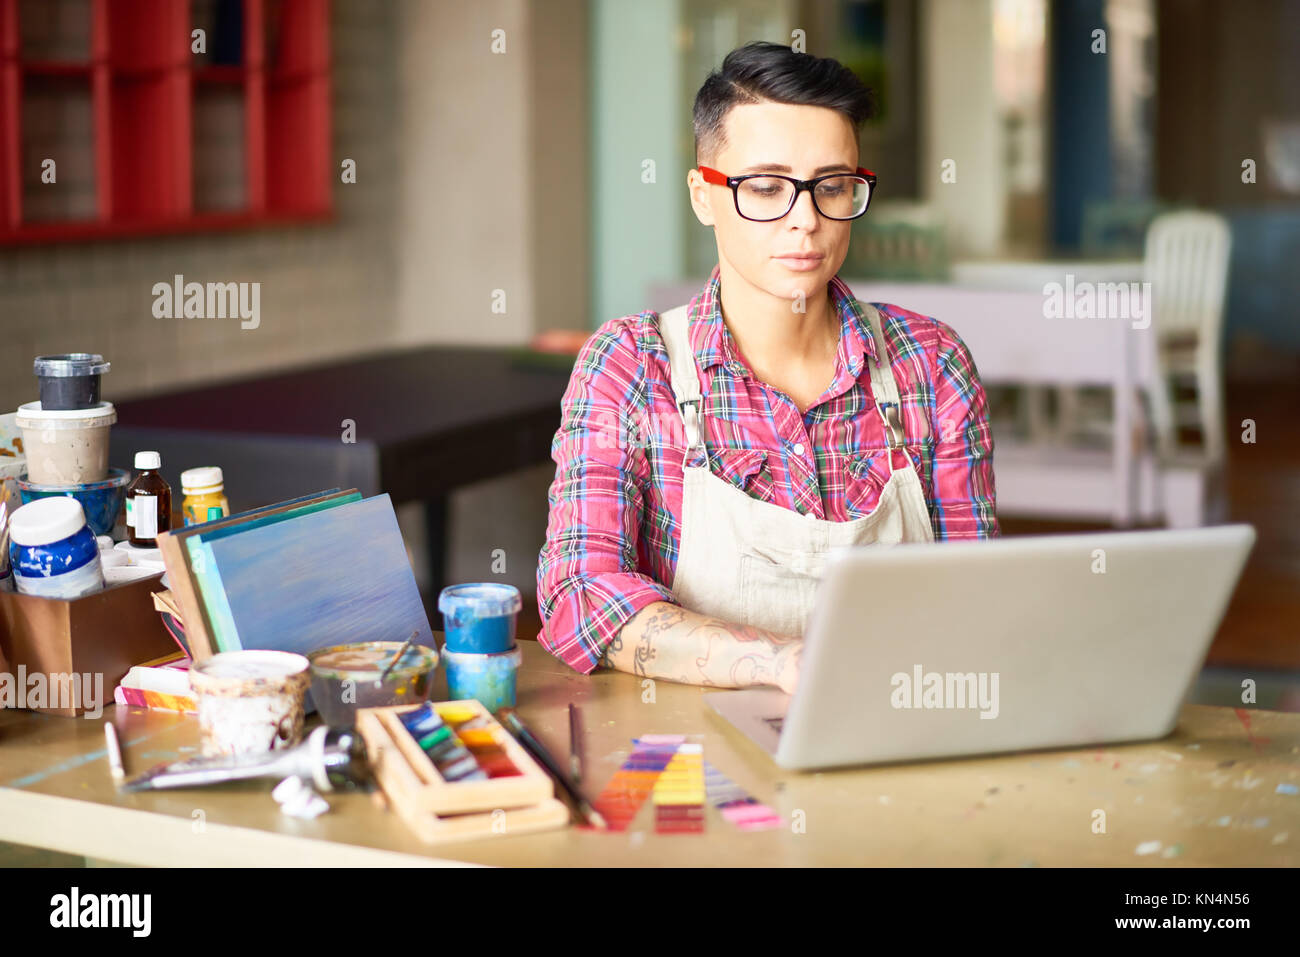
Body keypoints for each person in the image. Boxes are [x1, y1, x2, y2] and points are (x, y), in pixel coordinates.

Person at [536, 41, 999, 693]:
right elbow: (580, 597)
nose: (806, 221)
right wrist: (785, 663)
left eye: (832, 186)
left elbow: (976, 595)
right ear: (704, 195)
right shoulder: (632, 368)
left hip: (895, 726)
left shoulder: (931, 361)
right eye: (766, 187)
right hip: (696, 758)